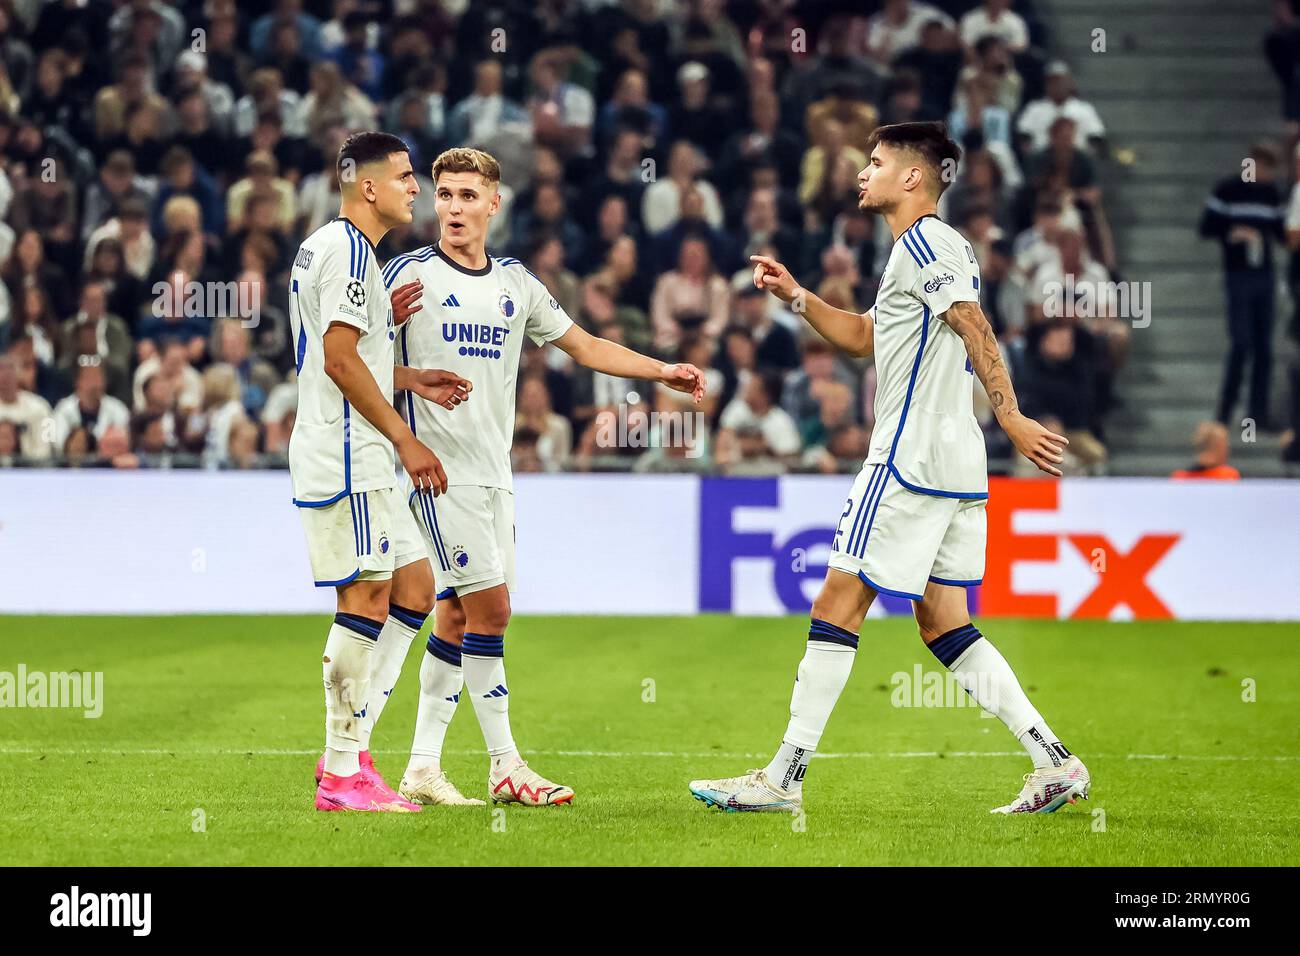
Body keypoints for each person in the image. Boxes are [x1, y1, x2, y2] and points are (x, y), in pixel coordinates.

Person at [689, 122, 1089, 815]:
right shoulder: (928, 249)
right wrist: (799, 297)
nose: (861, 173)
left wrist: (1012, 414)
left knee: (836, 603)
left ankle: (783, 778)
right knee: (943, 622)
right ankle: (1054, 761)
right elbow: (868, 335)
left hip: (906, 463)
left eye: (875, 163)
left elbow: (973, 324)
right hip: (955, 466)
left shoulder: (927, 240)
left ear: (913, 176)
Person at [382, 147, 706, 807]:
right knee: (491, 609)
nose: (454, 208)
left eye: (469, 196)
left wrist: (660, 371)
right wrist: (394, 370)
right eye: (444, 195)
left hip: (494, 476)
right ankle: (506, 766)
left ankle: (421, 768)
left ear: (495, 203)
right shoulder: (405, 276)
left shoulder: (515, 284)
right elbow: (345, 362)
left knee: (455, 616)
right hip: (437, 475)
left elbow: (584, 345)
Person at [289, 131, 470, 814]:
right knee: (363, 600)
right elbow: (337, 364)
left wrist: (407, 374)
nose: (414, 187)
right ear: (367, 186)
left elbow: (344, 352)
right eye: (403, 176)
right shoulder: (348, 254)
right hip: (348, 451)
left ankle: (353, 746)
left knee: (416, 586)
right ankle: (342, 774)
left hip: (356, 448)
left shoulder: (332, 249)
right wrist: (405, 439)